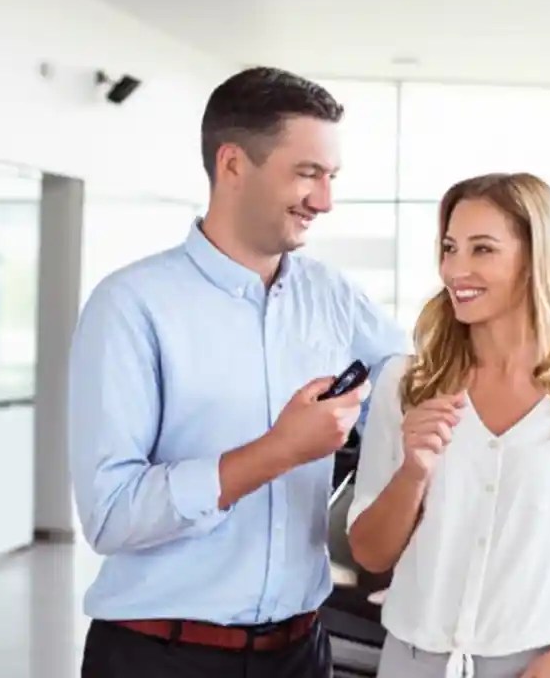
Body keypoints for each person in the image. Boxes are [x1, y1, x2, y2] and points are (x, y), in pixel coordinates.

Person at [69, 66, 408, 677]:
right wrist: (277, 451)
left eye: (330, 177)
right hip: (162, 658)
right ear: (231, 165)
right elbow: (111, 515)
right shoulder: (131, 305)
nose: (324, 200)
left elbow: (413, 390)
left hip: (303, 654)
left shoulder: (331, 295)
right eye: (306, 174)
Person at [345, 173, 550, 678]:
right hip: (413, 663)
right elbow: (371, 553)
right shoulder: (408, 383)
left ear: (535, 260)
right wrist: (414, 471)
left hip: (537, 666)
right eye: (449, 248)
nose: (455, 269)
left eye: (482, 249)